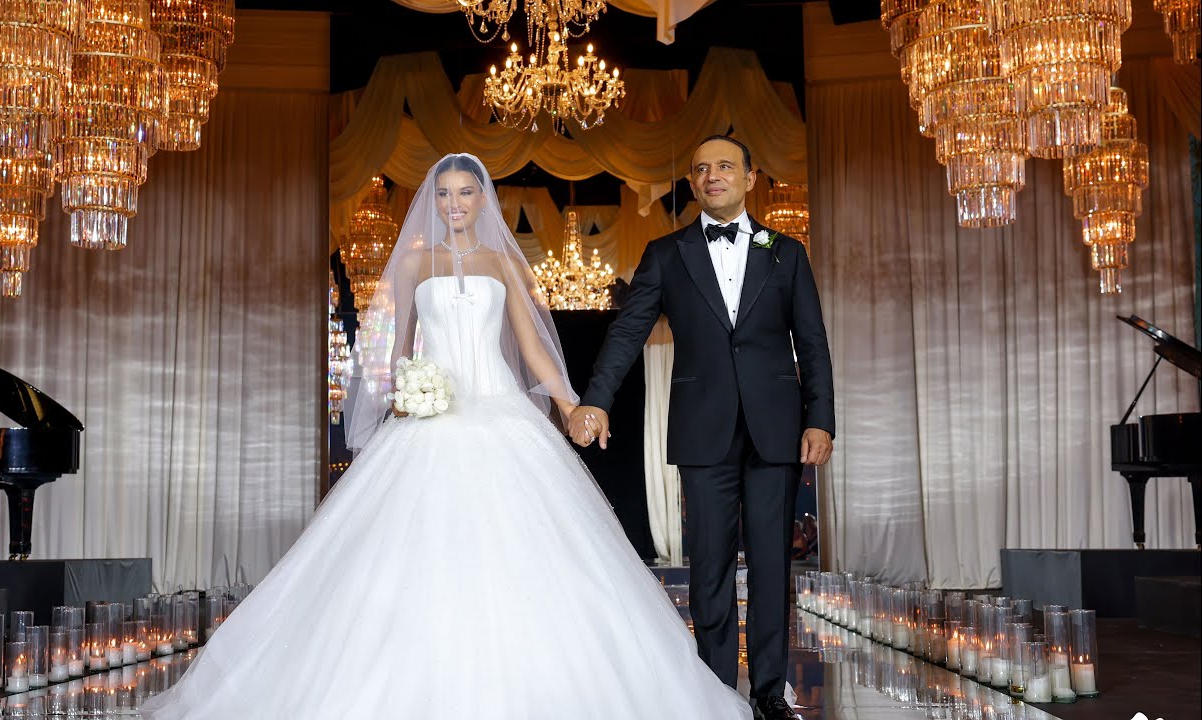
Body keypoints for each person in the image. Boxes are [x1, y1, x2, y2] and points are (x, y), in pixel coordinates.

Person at [138, 154, 752, 719]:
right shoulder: (411, 263)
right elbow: (401, 344)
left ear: (483, 199)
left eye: (466, 192)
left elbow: (532, 346)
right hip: (429, 421)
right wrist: (401, 392)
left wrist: (570, 403)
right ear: (432, 200)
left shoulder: (503, 263)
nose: (455, 202)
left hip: (500, 414)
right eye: (444, 193)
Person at [568, 136, 835, 720]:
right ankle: (714, 691)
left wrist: (821, 418)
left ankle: (769, 693)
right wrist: (596, 400)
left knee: (771, 562)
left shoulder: (786, 253)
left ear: (750, 176)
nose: (713, 175)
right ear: (692, 185)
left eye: (724, 166)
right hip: (702, 427)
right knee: (709, 565)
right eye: (701, 169)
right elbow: (627, 333)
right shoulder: (668, 253)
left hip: (777, 428)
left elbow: (811, 344)